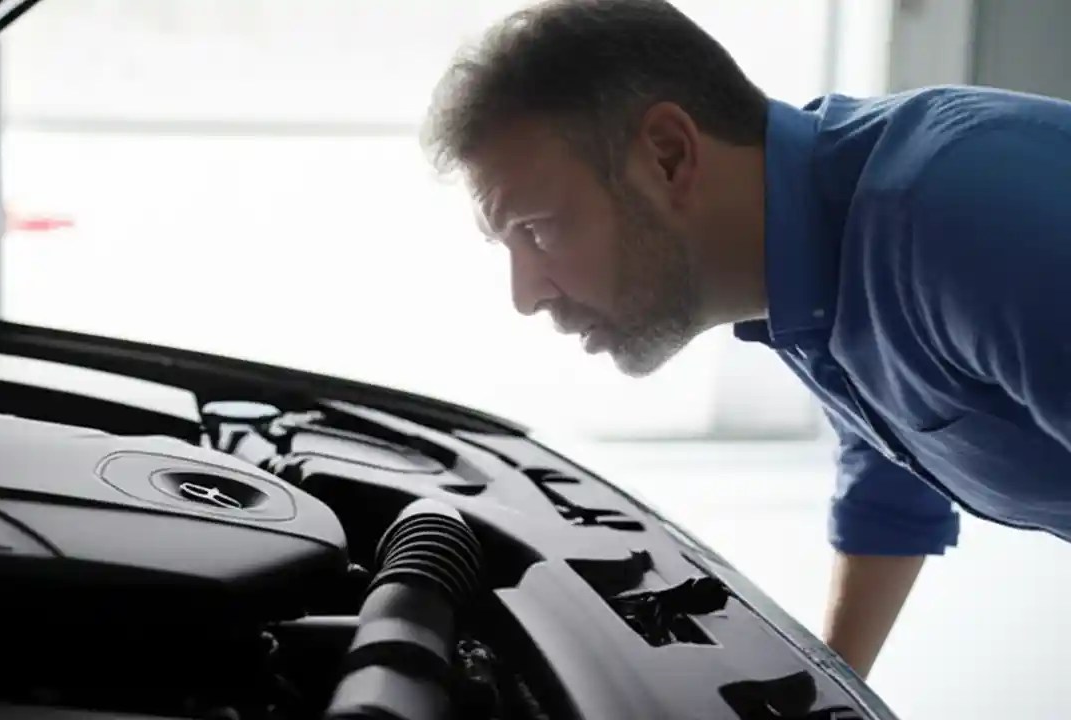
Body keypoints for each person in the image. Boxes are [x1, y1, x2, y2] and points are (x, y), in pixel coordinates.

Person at [420, 0, 1071, 680]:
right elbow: (892, 472)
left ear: (667, 156)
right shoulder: (803, 262)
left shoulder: (962, 216)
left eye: (538, 228)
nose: (527, 295)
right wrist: (830, 684)